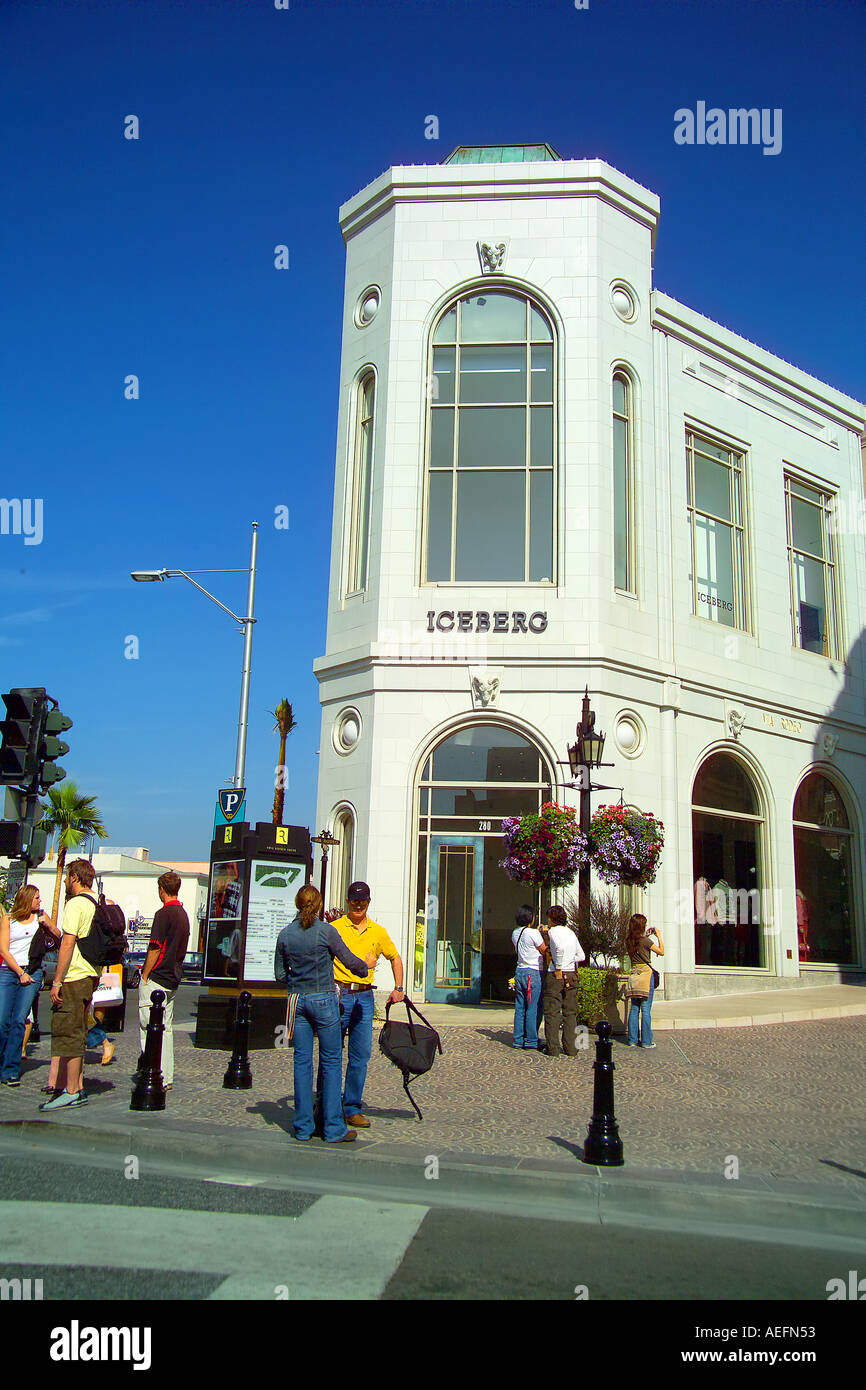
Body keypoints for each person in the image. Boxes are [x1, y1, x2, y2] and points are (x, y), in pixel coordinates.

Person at [274, 884, 375, 1143]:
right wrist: (365, 968)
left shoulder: (285, 934)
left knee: (302, 1061)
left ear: (298, 904)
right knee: (331, 1061)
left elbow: (280, 975)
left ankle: (304, 1126)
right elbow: (348, 959)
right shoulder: (325, 932)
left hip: (297, 1000)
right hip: (323, 999)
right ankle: (333, 1127)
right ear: (318, 906)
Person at [322, 881, 405, 1128]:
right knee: (332, 1054)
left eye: (363, 901)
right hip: (338, 995)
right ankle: (327, 1106)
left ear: (369, 903)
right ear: (347, 901)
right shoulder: (333, 929)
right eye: (354, 901)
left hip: (364, 999)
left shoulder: (378, 932)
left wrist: (399, 988)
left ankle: (351, 1107)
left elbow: (395, 957)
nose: (358, 905)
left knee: (360, 1056)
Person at [39, 858, 100, 1110]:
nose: (65, 880)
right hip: (90, 974)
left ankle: (72, 1090)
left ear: (74, 877)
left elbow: (67, 943)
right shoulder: (96, 902)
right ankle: (76, 1085)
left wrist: (56, 981)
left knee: (68, 1033)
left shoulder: (75, 904)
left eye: (66, 876)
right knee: (77, 1030)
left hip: (74, 976)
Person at [0, 886, 59, 1087]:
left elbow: (58, 936)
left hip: (32, 972)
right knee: (2, 1021)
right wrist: (19, 972)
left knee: (19, 1020)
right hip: (9, 972)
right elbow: (4, 950)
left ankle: (10, 1070)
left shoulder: (41, 917)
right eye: (36, 898)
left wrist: (49, 926)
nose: (39, 901)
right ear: (26, 900)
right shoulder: (9, 920)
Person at [138, 871, 189, 1090]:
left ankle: (152, 1071)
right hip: (173, 978)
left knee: (148, 1027)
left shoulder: (163, 914)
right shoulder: (183, 915)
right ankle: (166, 1075)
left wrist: (145, 974)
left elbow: (155, 947)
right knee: (166, 1028)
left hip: (157, 976)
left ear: (161, 890)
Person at [541, 904, 586, 1057]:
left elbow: (558, 948)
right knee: (570, 1012)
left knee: (552, 1011)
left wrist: (559, 966)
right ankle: (571, 1048)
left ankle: (553, 1048)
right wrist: (569, 961)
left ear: (552, 919)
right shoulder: (571, 933)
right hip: (571, 973)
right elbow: (581, 956)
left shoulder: (553, 932)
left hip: (556, 974)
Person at [625, 913, 664, 1048]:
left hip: (634, 976)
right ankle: (647, 1041)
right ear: (641, 926)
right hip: (646, 977)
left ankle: (632, 1040)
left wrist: (646, 936)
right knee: (646, 1009)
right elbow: (661, 951)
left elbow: (639, 946)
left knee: (634, 1008)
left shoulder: (629, 941)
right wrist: (658, 935)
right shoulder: (646, 941)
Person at [511, 904, 546, 1049]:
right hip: (533, 972)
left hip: (520, 971)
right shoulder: (533, 933)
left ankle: (518, 1039)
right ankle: (531, 1039)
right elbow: (543, 949)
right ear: (530, 918)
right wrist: (542, 933)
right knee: (533, 1006)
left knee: (520, 1006)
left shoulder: (515, 933)